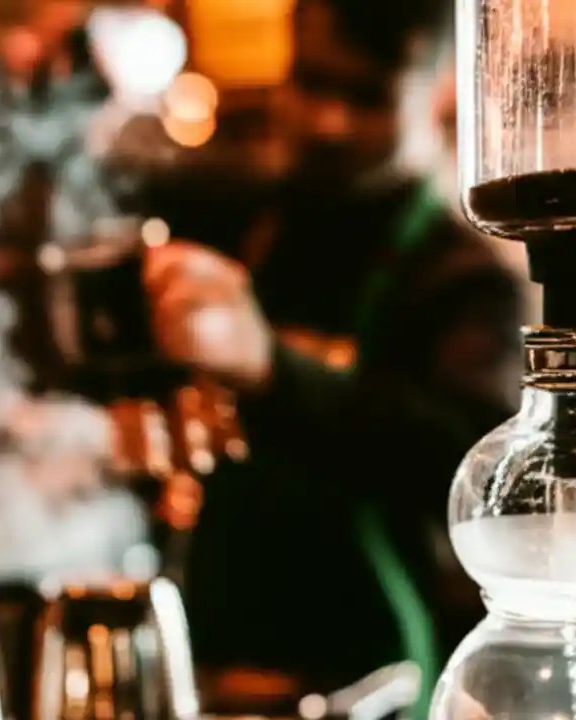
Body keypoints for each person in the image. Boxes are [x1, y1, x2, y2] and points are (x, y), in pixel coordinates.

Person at [142, 0, 525, 712]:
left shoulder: (460, 274)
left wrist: (270, 367)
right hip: (211, 659)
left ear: (438, 90)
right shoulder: (241, 220)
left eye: (367, 97)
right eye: (311, 83)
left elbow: (475, 465)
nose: (328, 121)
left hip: (372, 680)